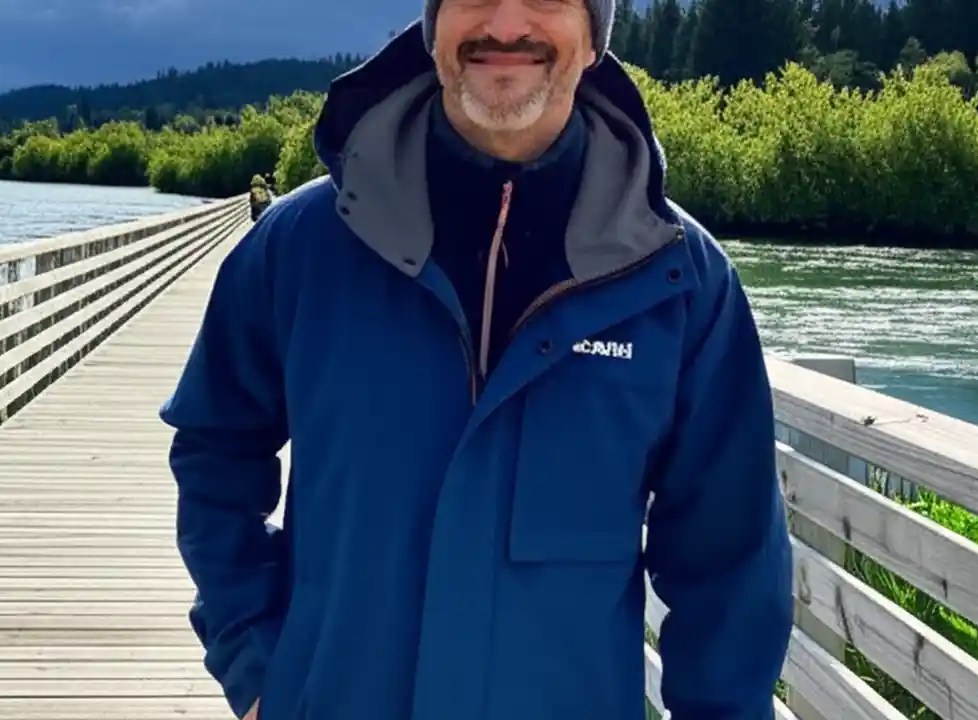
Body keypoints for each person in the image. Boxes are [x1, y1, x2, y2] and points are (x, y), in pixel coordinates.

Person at [158, 1, 793, 719]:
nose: (507, 22)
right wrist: (256, 662)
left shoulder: (680, 282)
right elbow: (215, 449)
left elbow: (731, 560)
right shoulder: (299, 247)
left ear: (594, 37)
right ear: (434, 27)